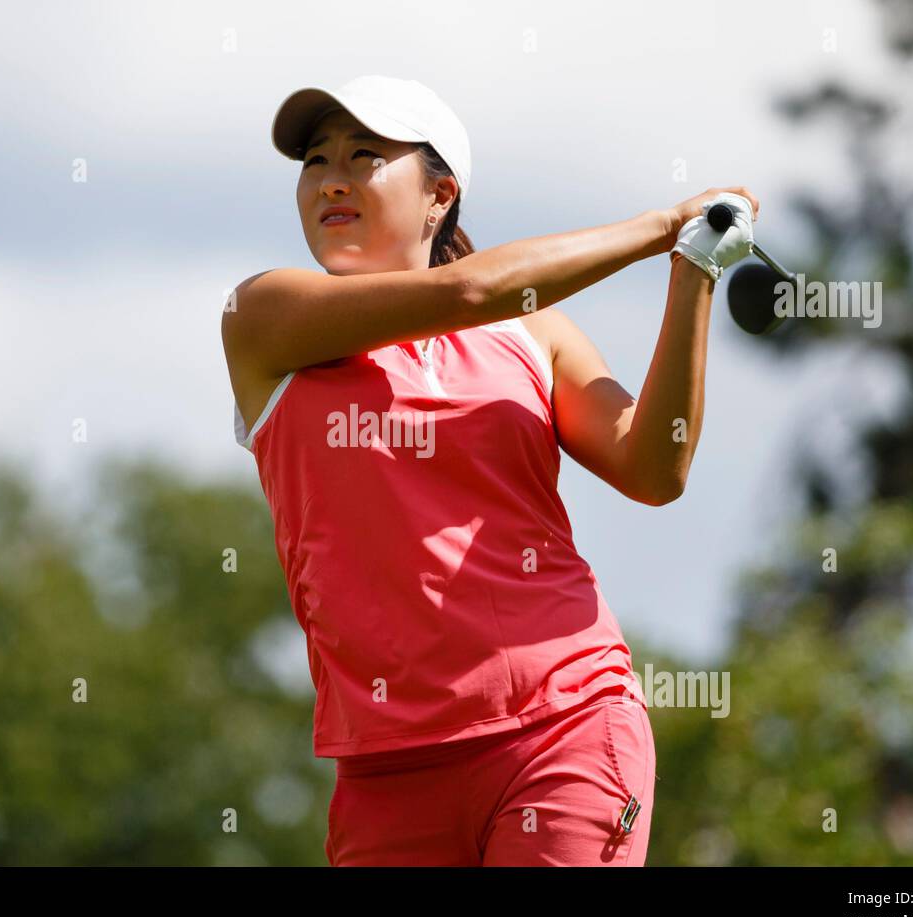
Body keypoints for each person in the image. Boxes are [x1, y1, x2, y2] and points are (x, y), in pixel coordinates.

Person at [221, 75, 758, 866]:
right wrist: (659, 226)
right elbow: (469, 289)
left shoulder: (534, 334)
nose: (331, 179)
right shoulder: (263, 317)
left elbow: (654, 467)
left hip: (563, 723)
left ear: (439, 196)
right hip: (382, 769)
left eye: (364, 156)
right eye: (315, 160)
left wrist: (693, 270)